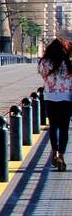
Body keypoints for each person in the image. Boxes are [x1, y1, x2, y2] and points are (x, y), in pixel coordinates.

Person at [38, 38, 72, 171]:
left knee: (53, 127)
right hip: (66, 99)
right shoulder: (68, 63)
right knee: (64, 128)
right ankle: (61, 155)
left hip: (50, 98)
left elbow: (43, 76)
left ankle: (54, 151)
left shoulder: (44, 63)